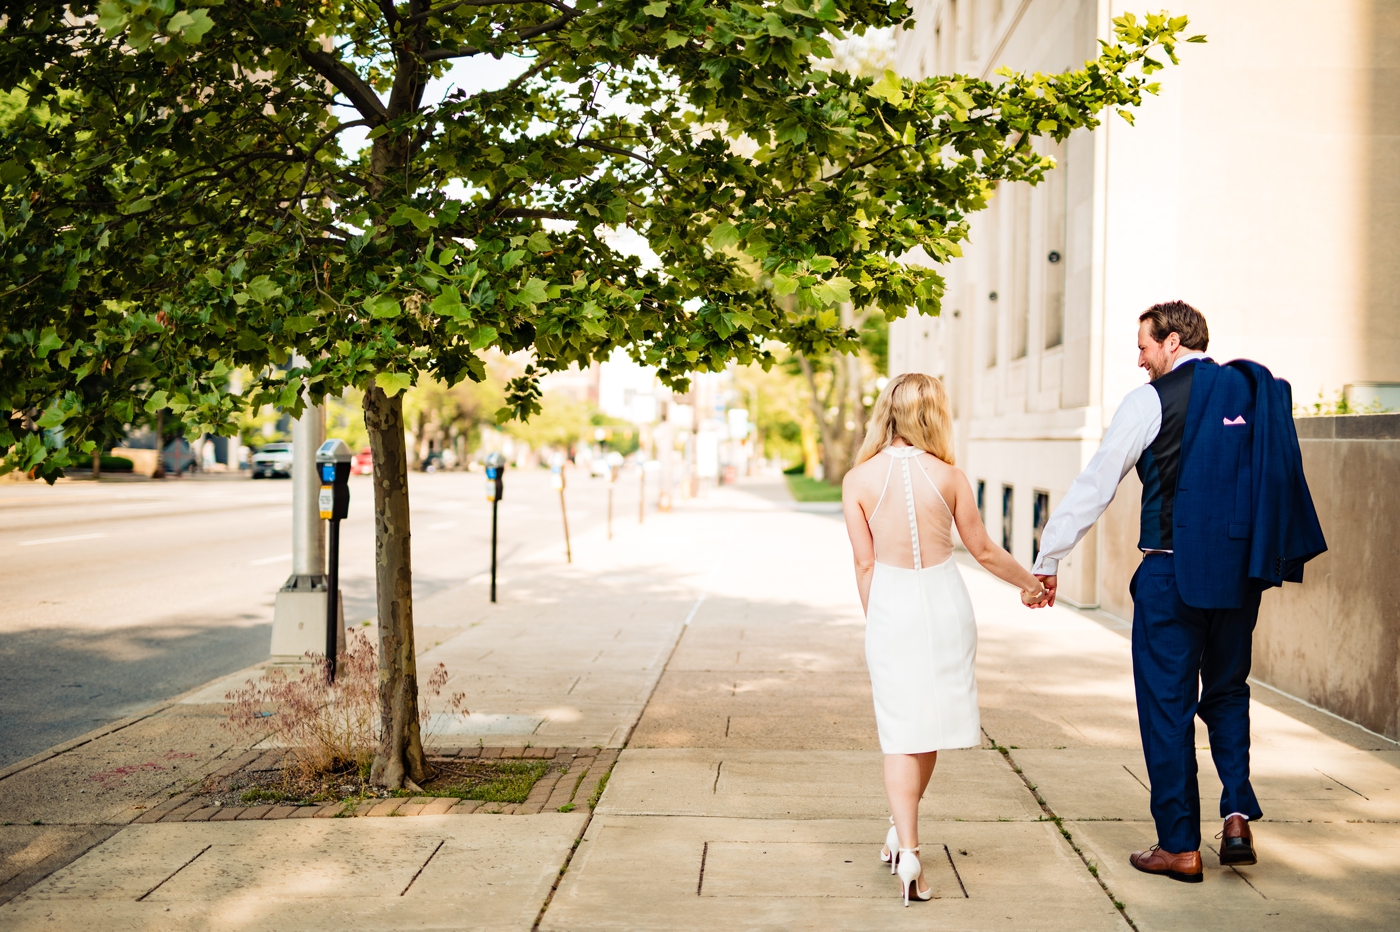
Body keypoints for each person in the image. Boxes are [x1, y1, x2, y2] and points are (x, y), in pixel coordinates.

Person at [1032, 300, 1325, 883]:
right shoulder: (1252, 392)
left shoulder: (1150, 401)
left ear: (1171, 341)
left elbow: (1099, 481)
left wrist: (1050, 554)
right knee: (1227, 692)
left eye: (1143, 346)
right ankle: (1237, 813)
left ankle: (1179, 846)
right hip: (1240, 576)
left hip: (1171, 577)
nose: (1139, 360)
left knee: (1167, 708)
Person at [842, 373, 1049, 905]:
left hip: (892, 604)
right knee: (928, 726)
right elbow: (981, 550)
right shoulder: (951, 477)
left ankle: (906, 845)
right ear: (933, 414)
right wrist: (1031, 585)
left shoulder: (858, 479)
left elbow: (865, 563)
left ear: (887, 412)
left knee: (899, 729)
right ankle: (903, 838)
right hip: (945, 603)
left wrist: (878, 621)